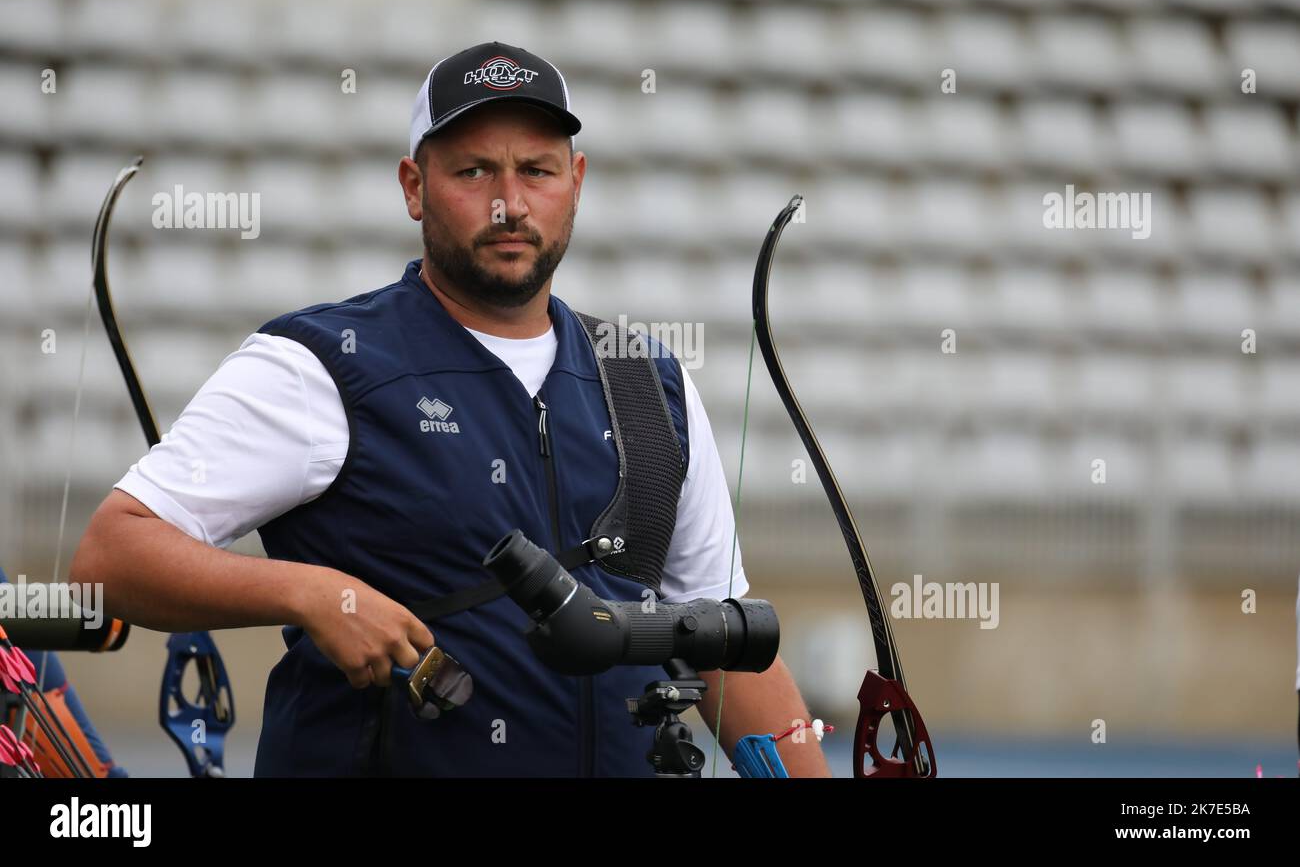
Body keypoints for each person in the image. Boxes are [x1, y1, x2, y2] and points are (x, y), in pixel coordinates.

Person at [71, 41, 828, 776]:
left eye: (537, 171)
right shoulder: (318, 364)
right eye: (474, 171)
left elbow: (720, 636)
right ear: (413, 186)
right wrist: (311, 594)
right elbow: (111, 559)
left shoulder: (647, 380)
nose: (510, 202)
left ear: (577, 182)